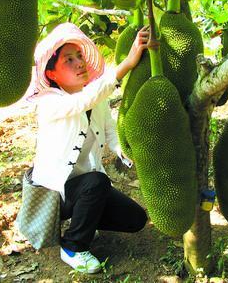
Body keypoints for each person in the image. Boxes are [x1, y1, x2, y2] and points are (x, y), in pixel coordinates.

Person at [28, 22, 152, 274]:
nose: (79, 63)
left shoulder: (97, 98)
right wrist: (127, 63)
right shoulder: (49, 103)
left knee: (135, 219)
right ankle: (73, 246)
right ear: (52, 74)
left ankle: (85, 220)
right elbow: (83, 101)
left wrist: (123, 152)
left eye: (79, 56)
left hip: (86, 188)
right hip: (56, 193)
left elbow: (109, 131)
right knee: (96, 182)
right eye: (68, 60)